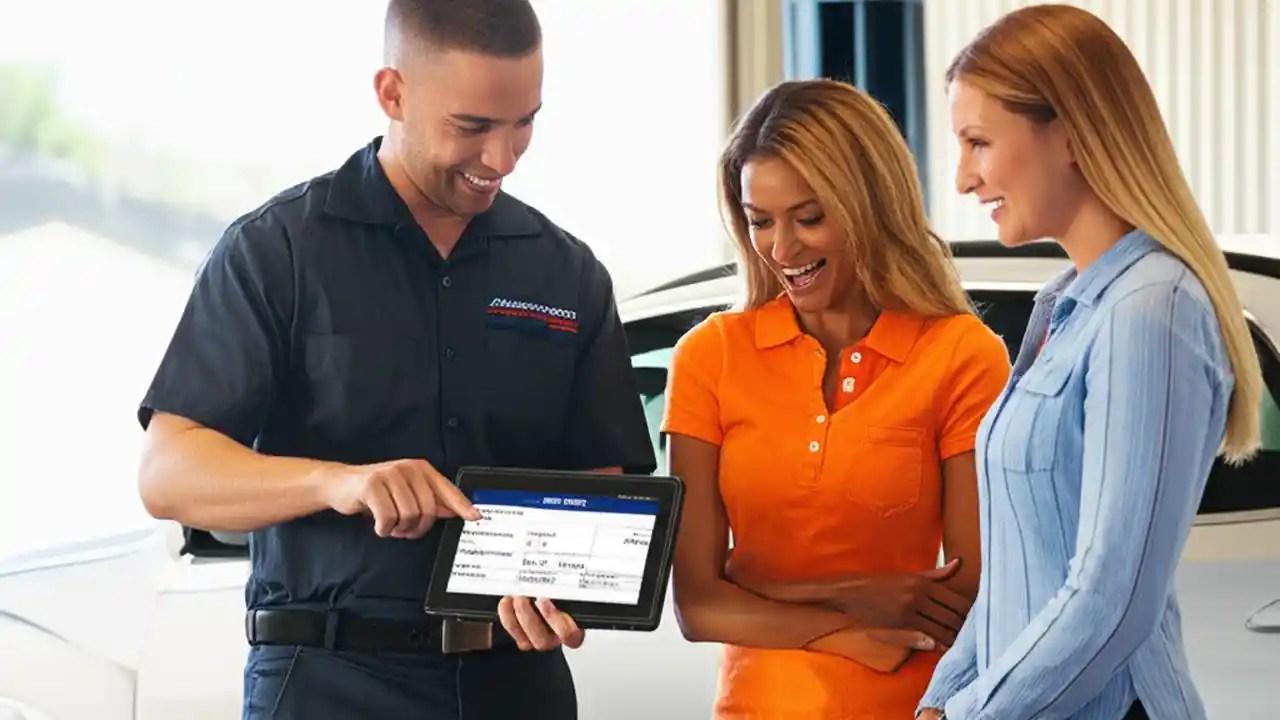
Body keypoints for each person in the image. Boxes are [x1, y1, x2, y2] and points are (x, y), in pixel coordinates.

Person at [135, 1, 655, 717]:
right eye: (472, 127)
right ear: (393, 92)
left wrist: (560, 578)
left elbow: (605, 479)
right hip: (327, 681)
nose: (501, 160)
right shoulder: (278, 253)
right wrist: (337, 483)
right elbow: (169, 474)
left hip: (517, 684)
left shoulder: (566, 275)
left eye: (524, 122)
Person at [916, 6, 1264, 720]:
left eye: (978, 143)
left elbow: (1112, 594)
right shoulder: (1066, 306)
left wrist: (970, 715)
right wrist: (945, 698)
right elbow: (1019, 572)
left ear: (1071, 134)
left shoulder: (1151, 312)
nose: (962, 179)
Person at [663, 78, 1012, 719]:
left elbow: (968, 597)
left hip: (914, 705)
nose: (781, 249)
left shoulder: (963, 355)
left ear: (871, 205)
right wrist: (853, 606)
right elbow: (700, 605)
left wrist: (758, 587)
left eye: (810, 217)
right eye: (760, 220)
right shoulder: (709, 357)